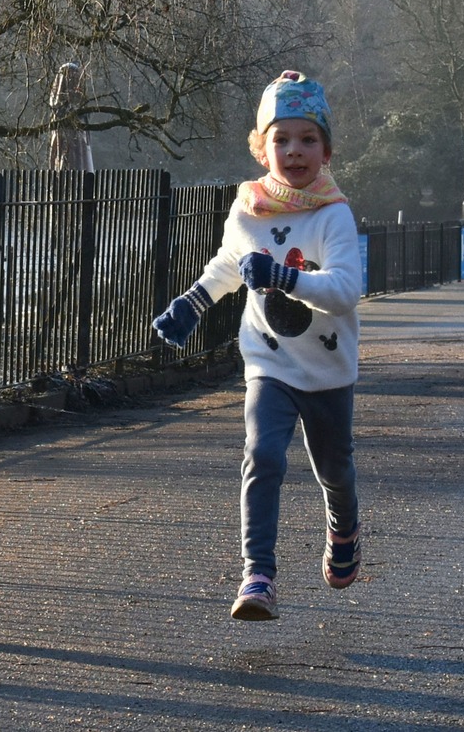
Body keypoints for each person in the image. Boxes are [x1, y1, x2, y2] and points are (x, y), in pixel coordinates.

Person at [152, 72, 364, 620]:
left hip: (327, 371)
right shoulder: (248, 207)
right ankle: (258, 576)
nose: (294, 151)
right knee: (262, 455)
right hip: (268, 361)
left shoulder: (333, 213)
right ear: (261, 146)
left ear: (327, 150)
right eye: (282, 139)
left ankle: (343, 524)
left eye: (307, 139)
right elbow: (230, 263)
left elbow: (344, 291)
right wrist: (193, 303)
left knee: (334, 471)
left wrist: (284, 279)